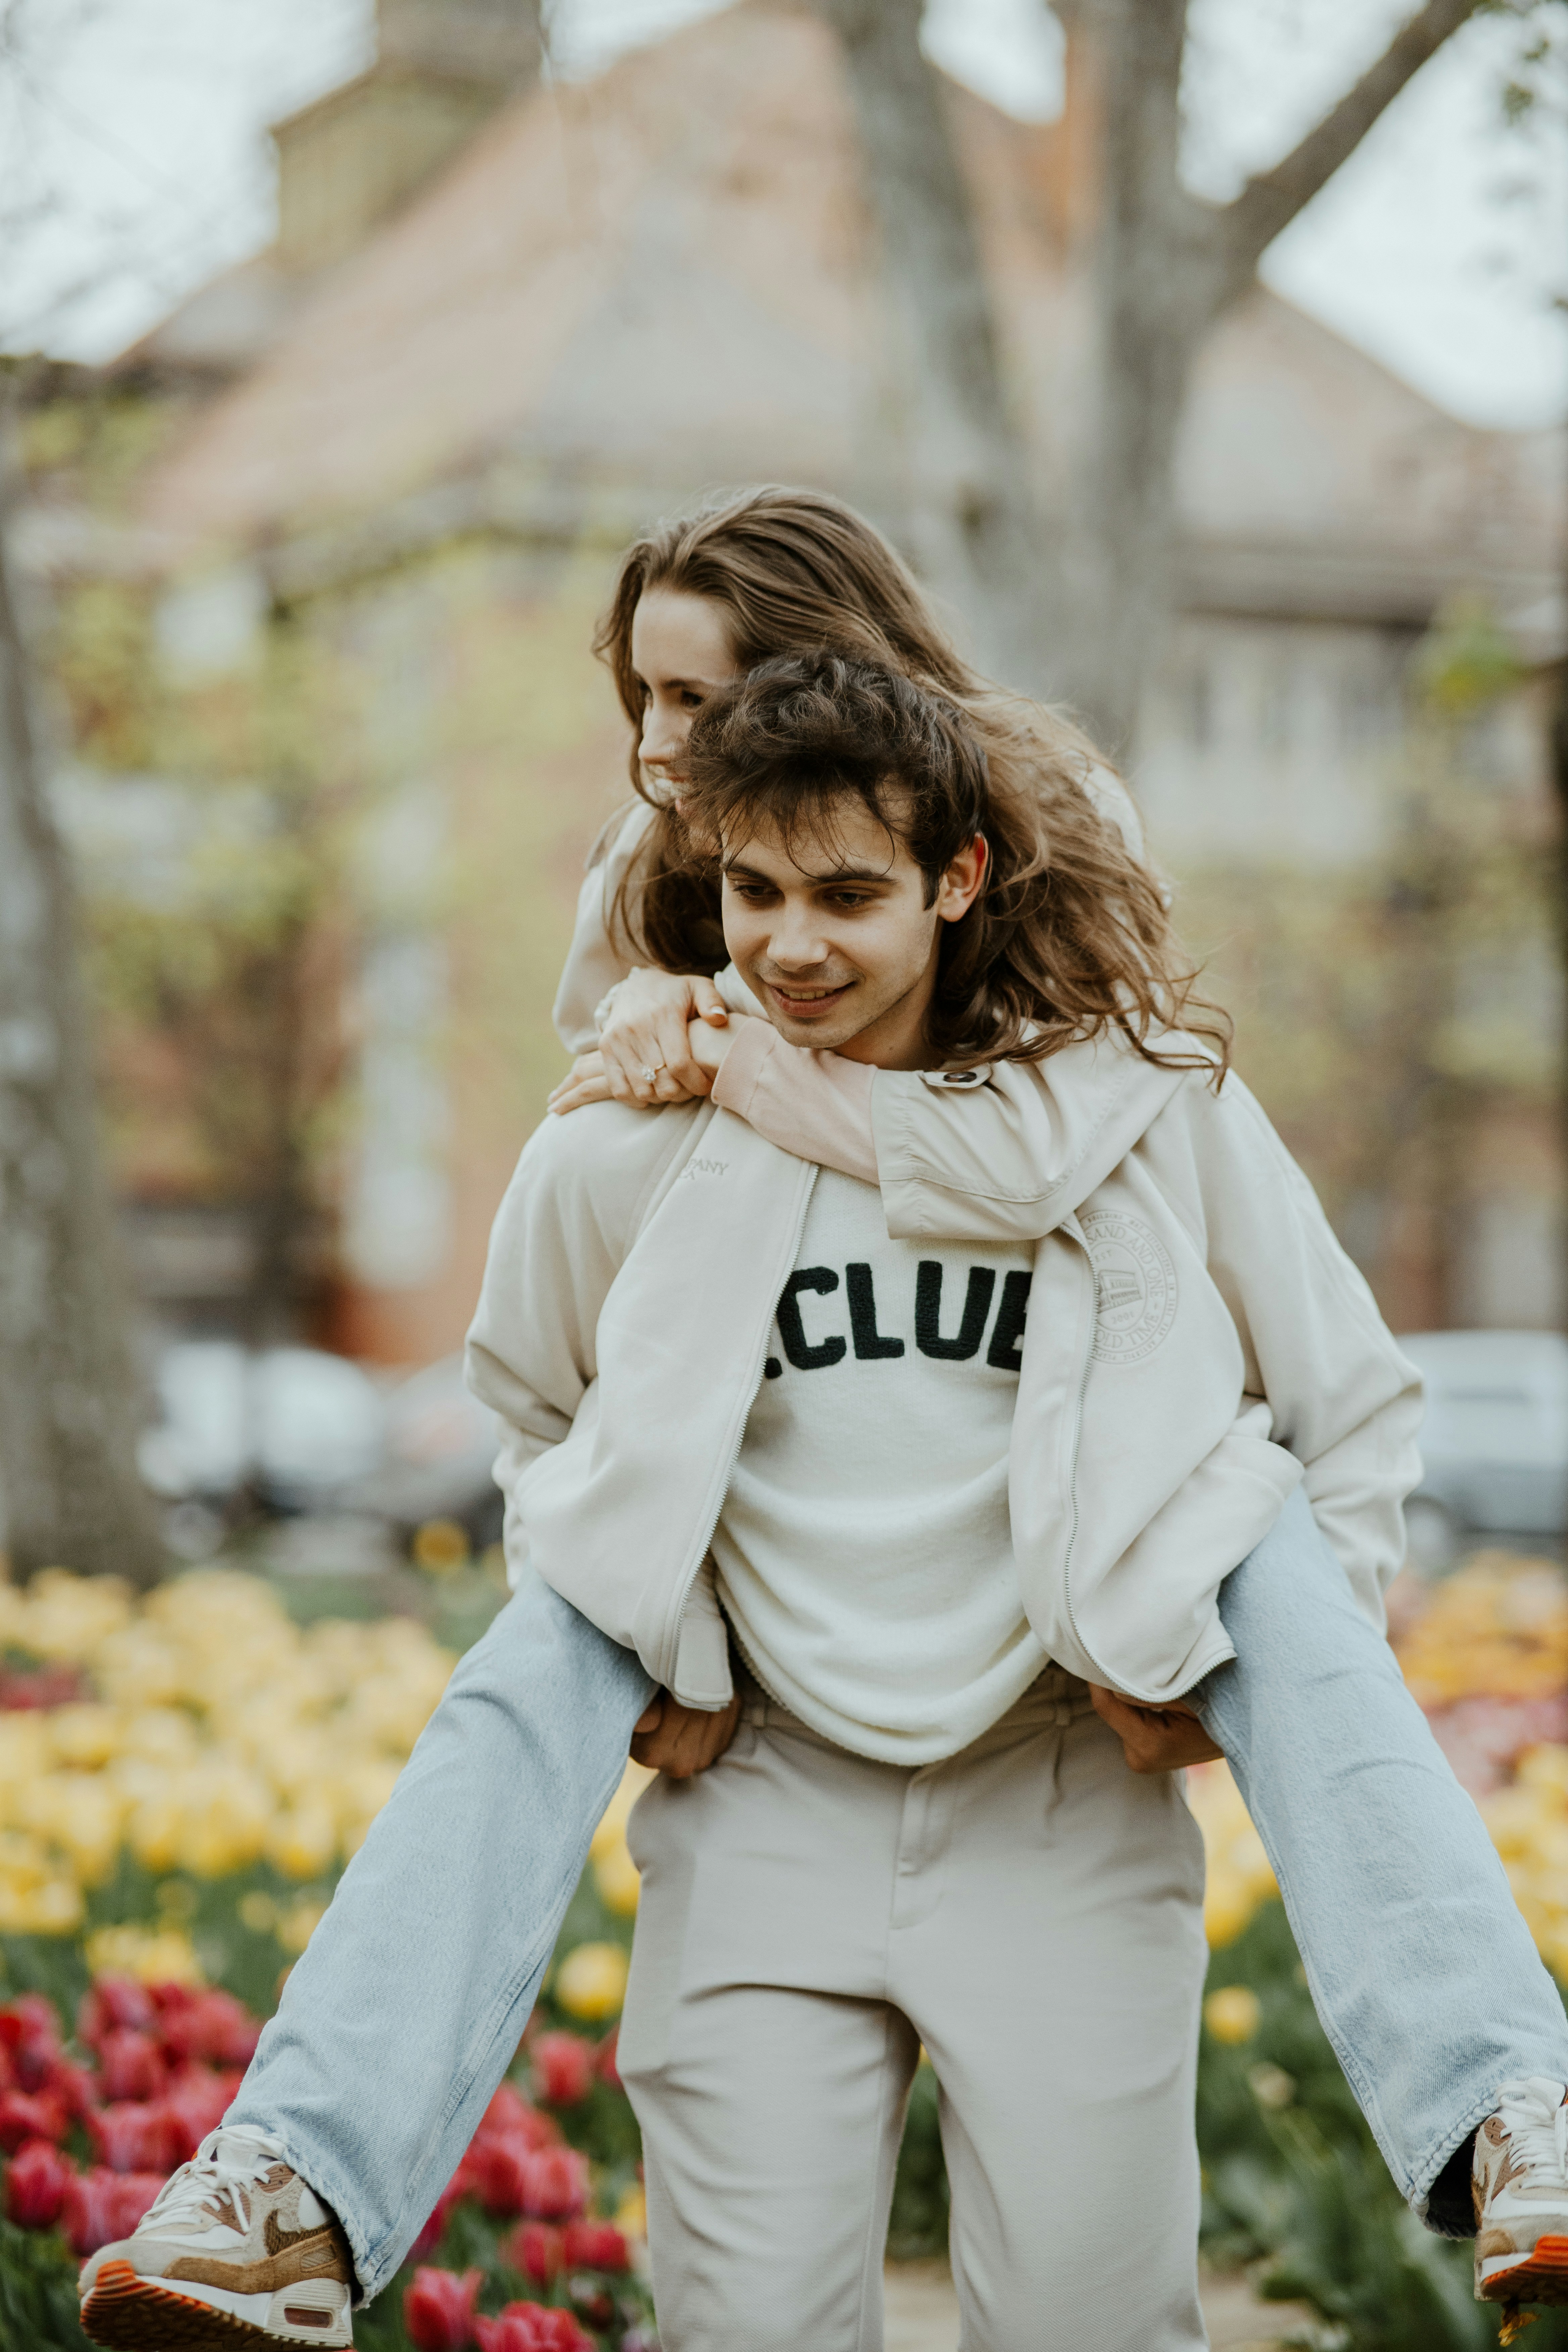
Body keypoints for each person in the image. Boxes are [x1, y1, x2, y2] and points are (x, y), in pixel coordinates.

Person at [77, 492, 1568, 2352]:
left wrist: (1231, 1653)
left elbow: (1349, 1403)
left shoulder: (1128, 1095)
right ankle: (285, 2191)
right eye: (739, 872)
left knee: (1250, 1539)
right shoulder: (635, 1115)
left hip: (1057, 1789)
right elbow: (534, 1409)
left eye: (704, 707)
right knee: (551, 1648)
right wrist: (665, 1635)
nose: (666, 756)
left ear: (942, 856)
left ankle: (1517, 2108)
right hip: (767, 1794)